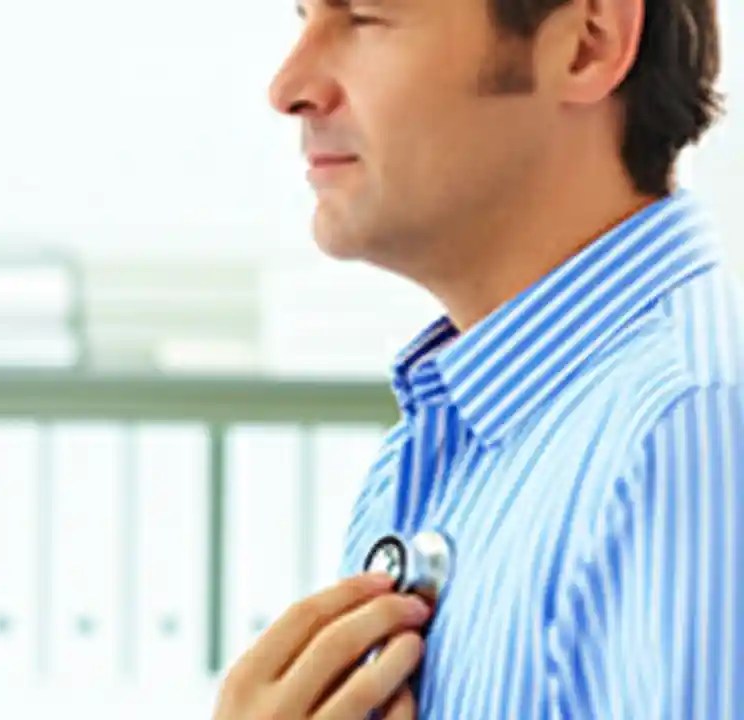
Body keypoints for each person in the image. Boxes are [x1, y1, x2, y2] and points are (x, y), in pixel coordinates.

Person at [212, 0, 739, 718]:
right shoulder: (449, 436)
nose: (289, 85)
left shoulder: (693, 431)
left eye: (364, 17)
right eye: (303, 16)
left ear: (587, 43)